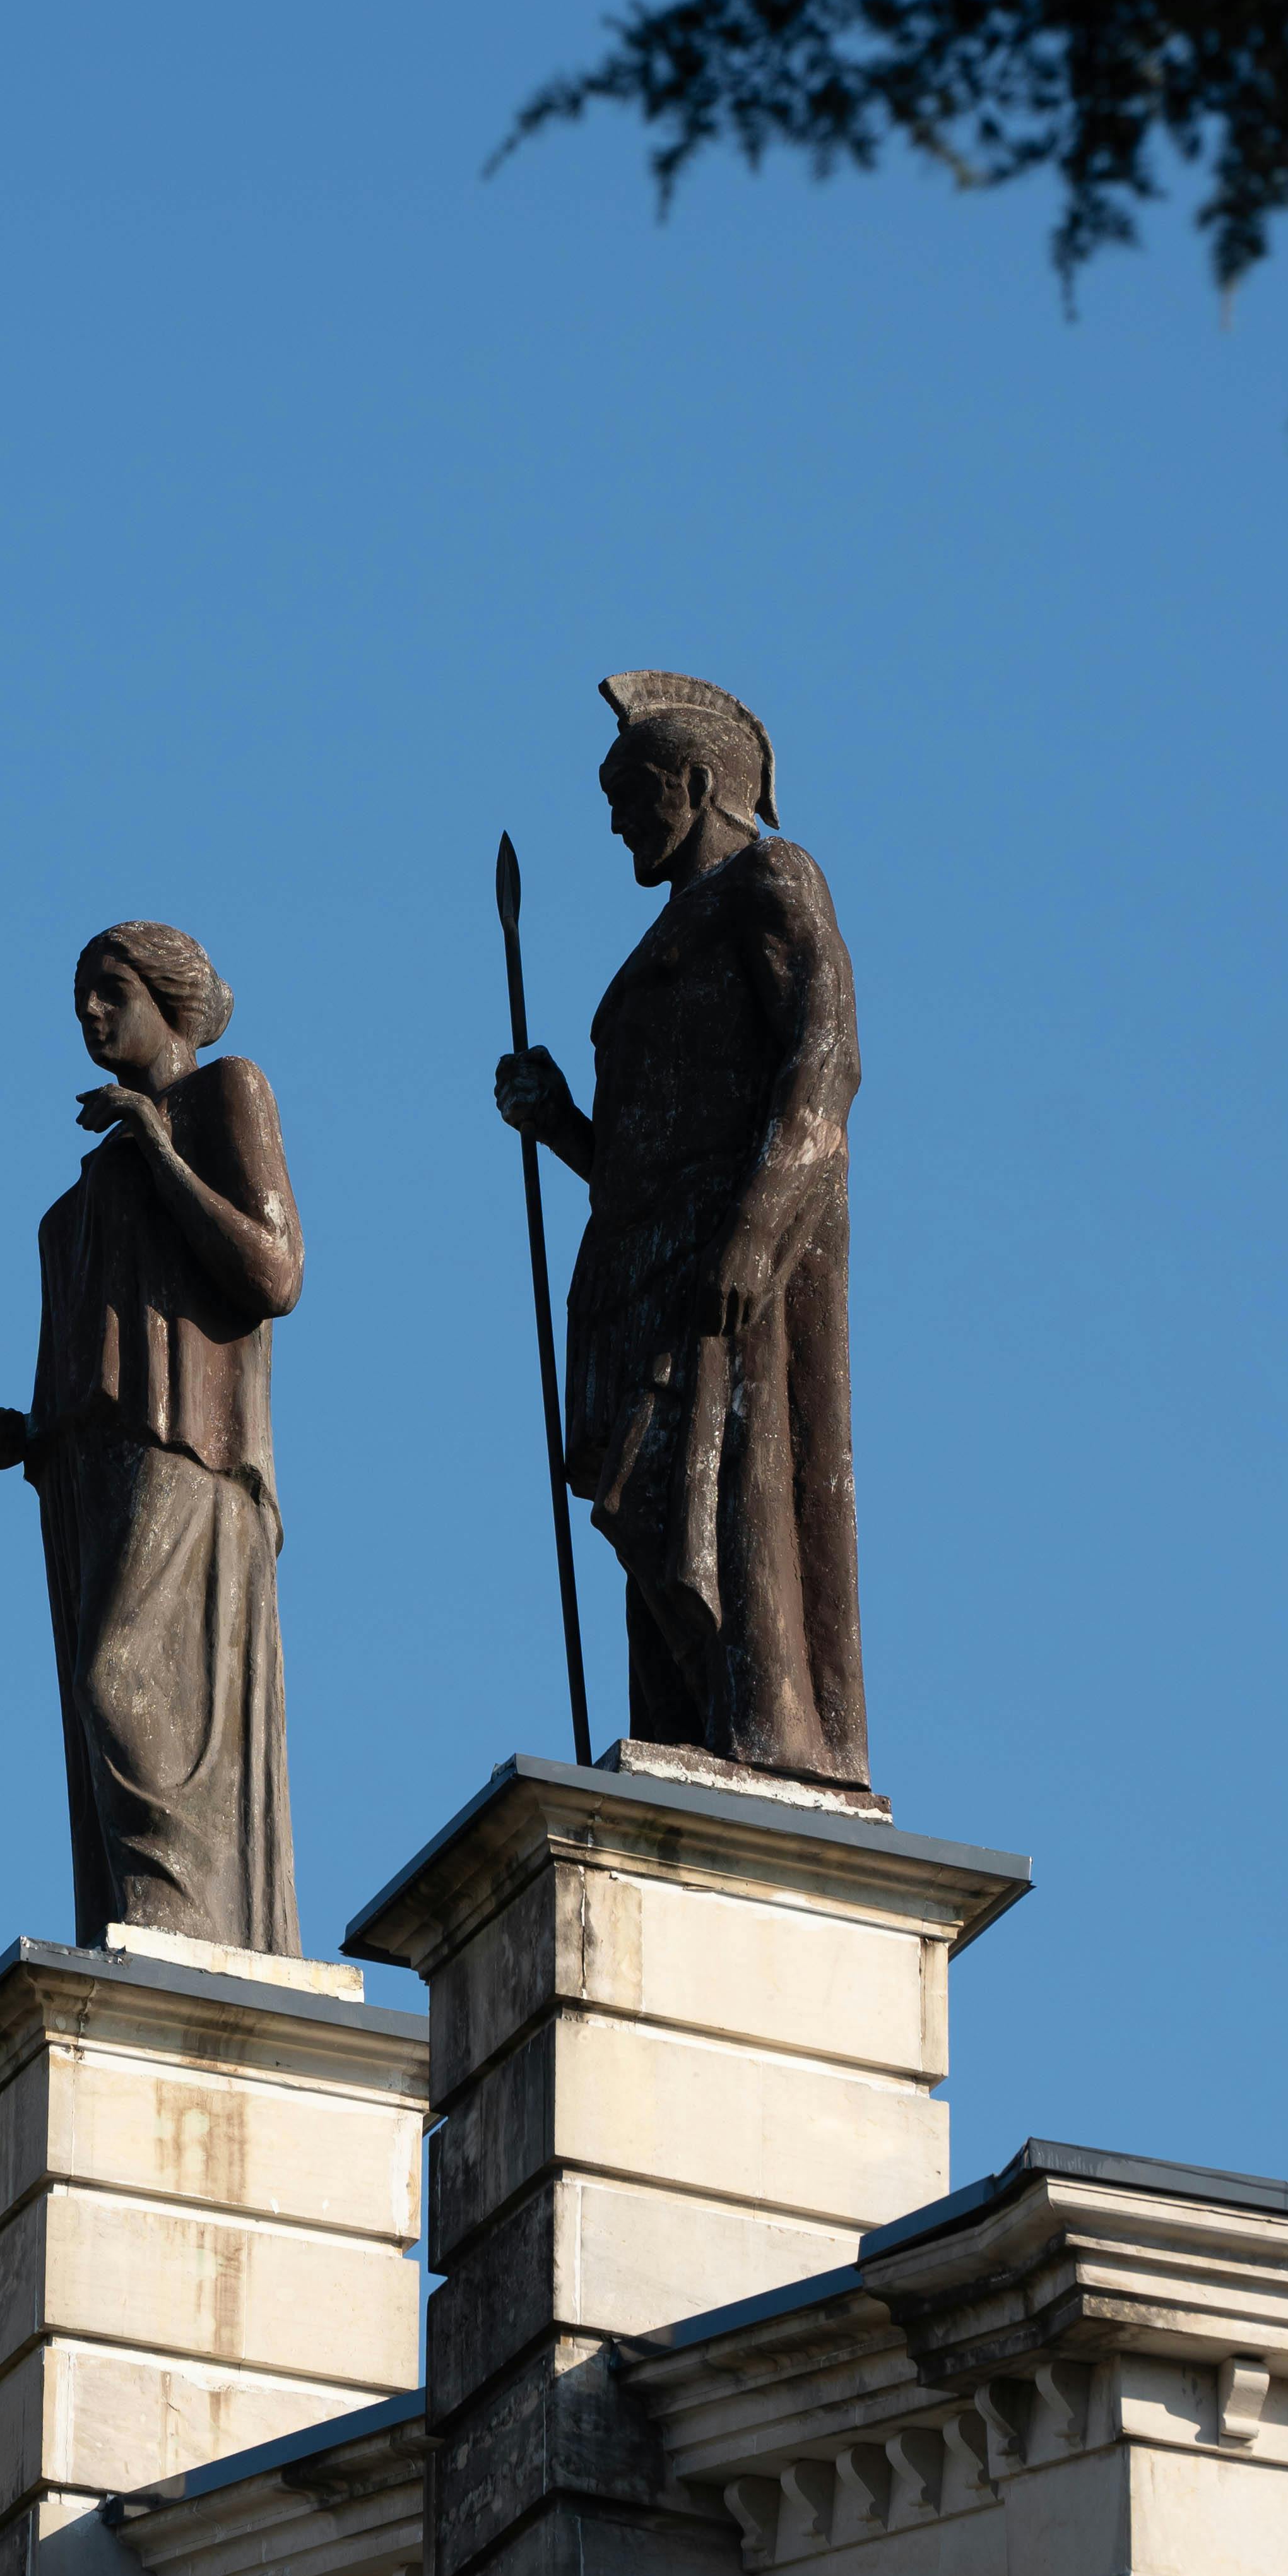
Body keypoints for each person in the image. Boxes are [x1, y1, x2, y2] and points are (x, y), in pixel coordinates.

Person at [494, 671, 868, 1789]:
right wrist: (561, 1122)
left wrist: (756, 1232)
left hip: (721, 1257)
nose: (614, 823)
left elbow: (825, 1060)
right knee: (646, 1510)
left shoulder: (773, 878)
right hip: (634, 1264)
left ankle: (758, 1731)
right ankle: (680, 1733)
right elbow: (636, 1152)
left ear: (698, 783)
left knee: (718, 1488)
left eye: (630, 795)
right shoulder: (667, 931)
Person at [0, 922, 304, 1952]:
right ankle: (141, 1924)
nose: (90, 1014)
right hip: (87, 1467)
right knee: (92, 1698)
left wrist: (160, 1147)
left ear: (171, 998)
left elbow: (275, 1273)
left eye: (111, 990)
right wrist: (32, 1429)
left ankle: (187, 1925)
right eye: (81, 997)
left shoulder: (223, 1095)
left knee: (128, 1679)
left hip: (190, 1451)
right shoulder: (89, 1180)